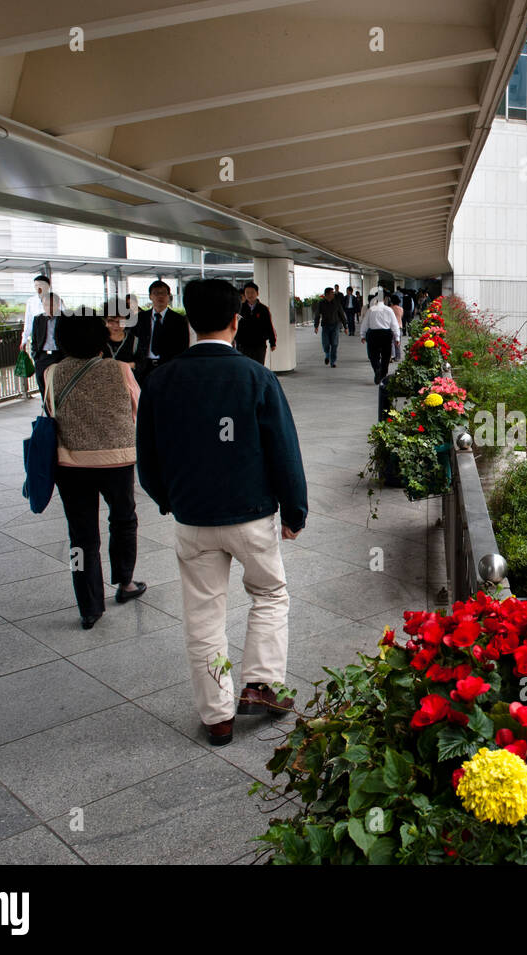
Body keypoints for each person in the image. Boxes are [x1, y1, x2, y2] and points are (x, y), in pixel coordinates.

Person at [136, 278, 308, 748]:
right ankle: (261, 685)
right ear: (236, 321)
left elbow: (147, 461)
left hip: (193, 520)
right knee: (270, 594)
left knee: (203, 616)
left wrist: (170, 500)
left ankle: (217, 717)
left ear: (188, 321)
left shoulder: (160, 381)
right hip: (251, 514)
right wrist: (294, 511)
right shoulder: (258, 378)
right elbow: (284, 452)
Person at [45, 312, 145, 631]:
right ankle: (125, 583)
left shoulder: (52, 373)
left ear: (61, 340)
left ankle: (88, 606)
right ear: (100, 338)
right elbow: (136, 409)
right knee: (123, 519)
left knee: (81, 536)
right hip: (116, 461)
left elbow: (50, 410)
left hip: (70, 465)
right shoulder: (119, 370)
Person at [131, 280, 188, 386]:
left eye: (163, 293)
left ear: (169, 296)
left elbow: (183, 347)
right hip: (143, 367)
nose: (160, 296)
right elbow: (133, 341)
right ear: (150, 296)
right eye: (156, 293)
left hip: (168, 367)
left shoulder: (178, 320)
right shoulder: (140, 318)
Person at [31, 291, 66, 401]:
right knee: (42, 386)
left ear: (58, 304)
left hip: (60, 356)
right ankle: (47, 410)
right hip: (42, 356)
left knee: (60, 385)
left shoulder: (66, 318)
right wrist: (36, 356)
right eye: (46, 305)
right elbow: (35, 340)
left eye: (52, 304)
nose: (49, 307)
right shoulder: (38, 319)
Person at [361, 292, 402, 384]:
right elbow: (394, 325)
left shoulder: (371, 310)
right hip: (386, 334)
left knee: (373, 355)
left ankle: (377, 369)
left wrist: (363, 335)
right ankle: (383, 375)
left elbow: (365, 323)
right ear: (384, 299)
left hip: (373, 334)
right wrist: (397, 338)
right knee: (386, 356)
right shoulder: (389, 310)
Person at [236, 281, 277, 365]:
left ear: (257, 293)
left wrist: (272, 342)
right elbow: (236, 326)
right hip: (244, 345)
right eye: (247, 292)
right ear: (244, 294)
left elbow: (269, 326)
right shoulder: (240, 309)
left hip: (259, 345)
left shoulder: (263, 309)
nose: (250, 295)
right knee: (245, 367)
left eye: (252, 292)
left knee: (258, 366)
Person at [316, 286, 346, 367]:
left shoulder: (336, 302)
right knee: (326, 343)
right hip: (325, 326)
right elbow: (317, 315)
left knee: (334, 344)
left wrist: (345, 326)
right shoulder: (321, 303)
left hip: (335, 325)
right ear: (327, 294)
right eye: (332, 293)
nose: (333, 294)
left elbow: (341, 314)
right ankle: (327, 355)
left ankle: (333, 362)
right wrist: (316, 326)